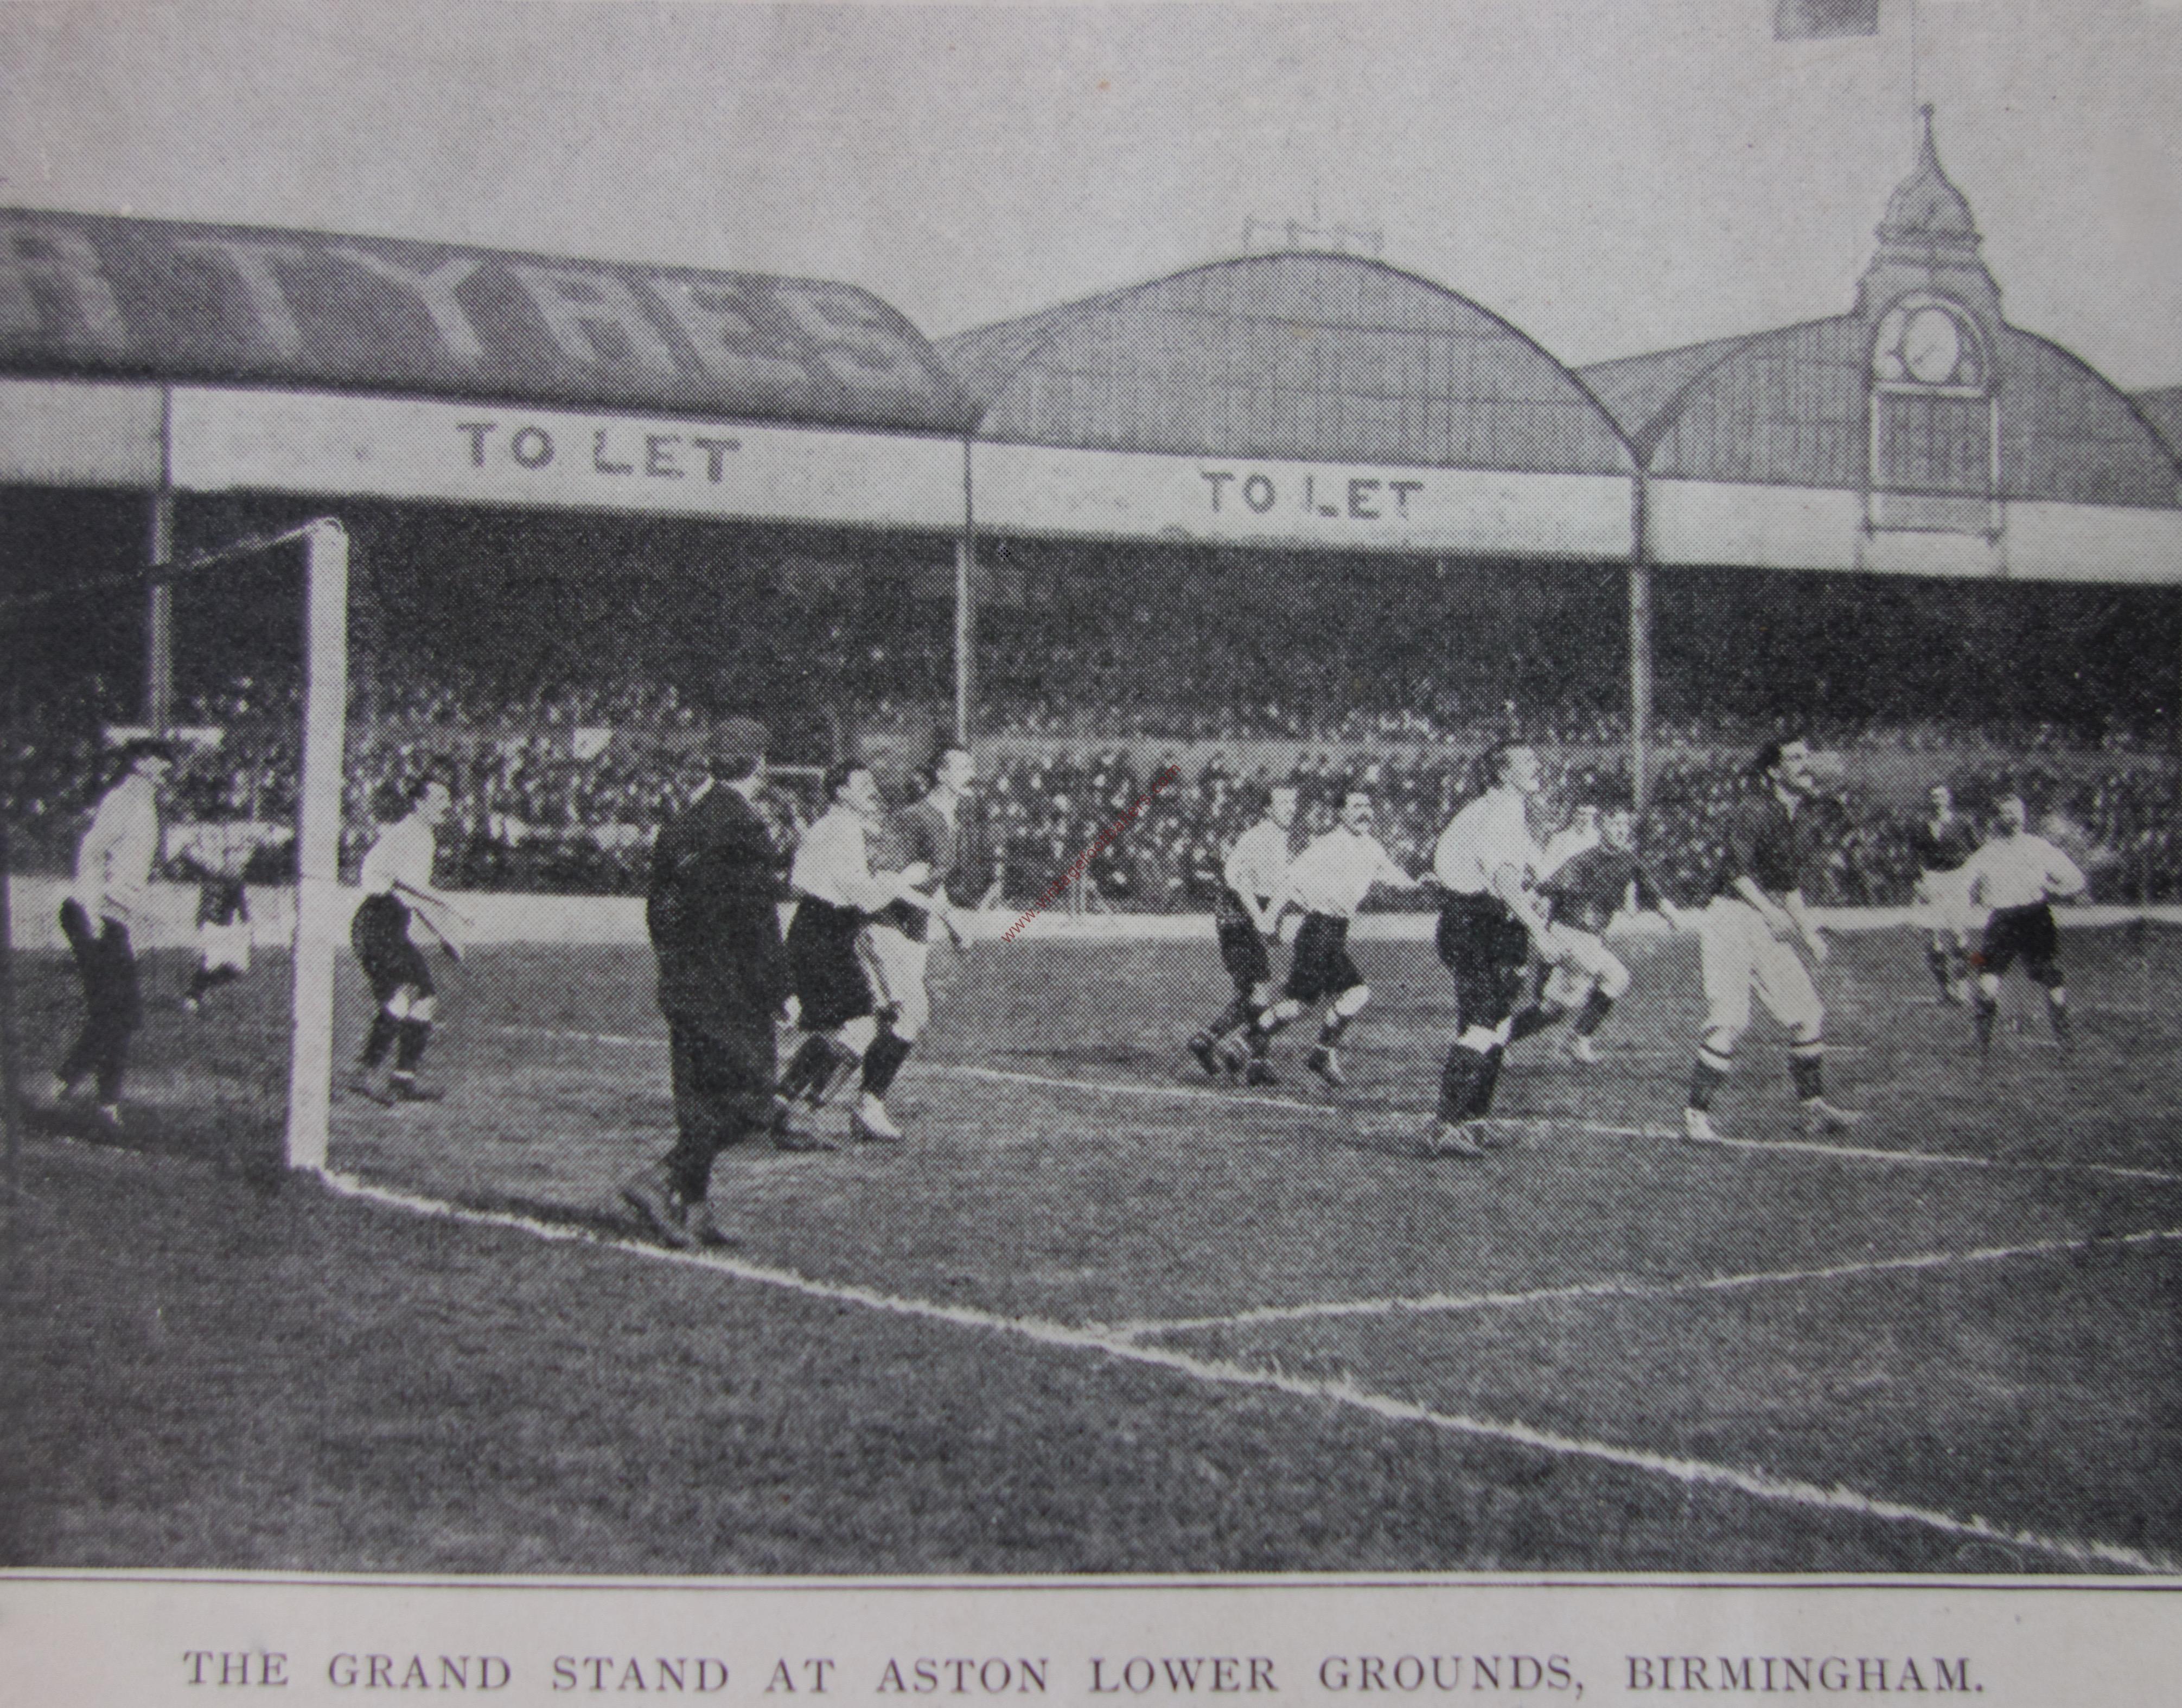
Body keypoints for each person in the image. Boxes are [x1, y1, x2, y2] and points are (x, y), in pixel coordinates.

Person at [622, 719, 789, 1249]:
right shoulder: (744, 826)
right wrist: (778, 987)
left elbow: (660, 910)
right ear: (759, 763)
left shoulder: (683, 823)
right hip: (732, 989)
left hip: (685, 982)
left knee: (699, 1101)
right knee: (753, 1103)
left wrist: (676, 964)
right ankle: (659, 1178)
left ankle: (694, 1210)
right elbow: (757, 919)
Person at [1681, 737, 1861, 1145]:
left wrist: (1807, 932)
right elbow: (1735, 873)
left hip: (1761, 918)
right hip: (1730, 917)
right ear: (1773, 772)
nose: (1806, 764)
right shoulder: (1753, 809)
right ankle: (1696, 1117)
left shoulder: (1794, 815)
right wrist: (1769, 910)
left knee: (1807, 1012)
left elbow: (1789, 885)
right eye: (1795, 759)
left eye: (1807, 757)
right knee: (1730, 1019)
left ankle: (1813, 1110)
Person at [774, 760, 936, 1143]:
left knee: (852, 1025)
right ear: (841, 791)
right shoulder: (841, 830)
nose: (872, 790)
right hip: (828, 930)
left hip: (822, 927)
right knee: (861, 1026)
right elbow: (862, 896)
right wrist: (903, 879)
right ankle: (799, 1113)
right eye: (862, 784)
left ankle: (782, 1102)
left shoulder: (837, 827)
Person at [1426, 742, 1559, 1156]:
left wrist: (1540, 895)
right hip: (1472, 924)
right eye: (1528, 761)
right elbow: (1503, 879)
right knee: (1482, 1024)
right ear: (1503, 773)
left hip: (1493, 924)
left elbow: (1531, 868)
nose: (1538, 766)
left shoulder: (1510, 811)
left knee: (1496, 1026)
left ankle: (1473, 1121)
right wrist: (1540, 930)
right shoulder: (1495, 813)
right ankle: (1444, 1125)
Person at [1243, 786, 1421, 1089]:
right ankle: (1320, 1052)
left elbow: (1392, 875)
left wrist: (1418, 885)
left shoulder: (1372, 847)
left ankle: (1248, 1043)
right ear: (1341, 813)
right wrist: (1270, 917)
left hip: (1335, 932)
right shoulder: (1327, 845)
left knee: (1300, 1005)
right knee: (1355, 993)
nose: (1364, 812)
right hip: (1318, 930)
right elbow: (1289, 881)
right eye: (1356, 807)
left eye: (1367, 805)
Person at [52, 737, 174, 1129]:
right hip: (94, 914)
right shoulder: (124, 801)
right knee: (119, 1014)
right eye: (160, 760)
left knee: (119, 1015)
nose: (168, 768)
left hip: (111, 918)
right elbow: (92, 851)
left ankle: (86, 1095)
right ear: (140, 763)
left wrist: (127, 927)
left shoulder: (147, 806)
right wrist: (93, 912)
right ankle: (81, 1094)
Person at [1509, 791, 1679, 1065]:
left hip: (1590, 941)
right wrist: (1531, 904)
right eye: (1615, 824)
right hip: (1569, 935)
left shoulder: (1629, 861)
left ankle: (1498, 1039)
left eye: (1625, 824)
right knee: (1616, 977)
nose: (1621, 830)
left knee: (1553, 1009)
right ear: (1601, 827)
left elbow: (1654, 893)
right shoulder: (1584, 860)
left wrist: (1673, 916)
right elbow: (1546, 888)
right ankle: (1579, 1038)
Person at [858, 745, 976, 1140]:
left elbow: (931, 880)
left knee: (890, 1020)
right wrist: (937, 911)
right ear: (941, 774)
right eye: (964, 766)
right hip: (887, 922)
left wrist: (951, 921)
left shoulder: (951, 820)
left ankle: (812, 1100)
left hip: (913, 928)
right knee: (910, 1014)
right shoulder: (914, 817)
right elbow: (885, 878)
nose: (972, 773)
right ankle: (866, 1105)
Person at [347, 774, 460, 1105]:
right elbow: (414, 890)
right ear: (419, 803)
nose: (447, 806)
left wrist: (444, 935)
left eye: (447, 799)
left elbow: (412, 896)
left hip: (387, 923)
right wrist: (451, 918)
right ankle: (365, 1074)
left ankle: (401, 1079)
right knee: (403, 996)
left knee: (423, 997)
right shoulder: (413, 836)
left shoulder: (418, 834)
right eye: (439, 800)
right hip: (379, 921)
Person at [1958, 791, 2088, 1054]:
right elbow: (1962, 881)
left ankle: (2065, 1038)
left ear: (2025, 815)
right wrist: (1968, 897)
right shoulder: (1989, 852)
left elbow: (2076, 879)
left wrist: (2055, 889)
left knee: (2046, 973)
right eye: (2006, 813)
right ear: (1997, 818)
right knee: (1987, 977)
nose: (2014, 818)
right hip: (2003, 920)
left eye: (2017, 812)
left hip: (2035, 917)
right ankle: (1981, 1042)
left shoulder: (2038, 847)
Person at [1188, 782, 1296, 1079]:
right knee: (1259, 992)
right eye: (1284, 803)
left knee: (1251, 993)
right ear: (1268, 809)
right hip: (1237, 918)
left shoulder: (1278, 837)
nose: (1291, 808)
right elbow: (1236, 879)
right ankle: (1256, 1062)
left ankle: (1207, 1041)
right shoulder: (1260, 837)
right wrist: (1260, 917)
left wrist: (1269, 918)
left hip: (1242, 919)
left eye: (1293, 802)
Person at [1910, 782, 1979, 1005]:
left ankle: (1963, 986)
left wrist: (1971, 879)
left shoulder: (1963, 822)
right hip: (1933, 880)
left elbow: (1977, 852)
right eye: (1933, 796)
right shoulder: (1922, 826)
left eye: (1941, 796)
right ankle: (1945, 990)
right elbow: (1915, 856)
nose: (1937, 800)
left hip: (1957, 880)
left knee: (1959, 934)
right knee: (1934, 938)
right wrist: (1919, 883)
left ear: (1949, 799)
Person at [180, 832, 253, 1014]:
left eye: (239, 862)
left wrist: (247, 924)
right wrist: (200, 923)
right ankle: (193, 997)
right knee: (211, 965)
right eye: (234, 860)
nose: (237, 864)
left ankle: (197, 992)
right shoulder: (215, 878)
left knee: (238, 968)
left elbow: (241, 905)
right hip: (213, 927)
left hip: (227, 928)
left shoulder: (235, 880)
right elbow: (206, 901)